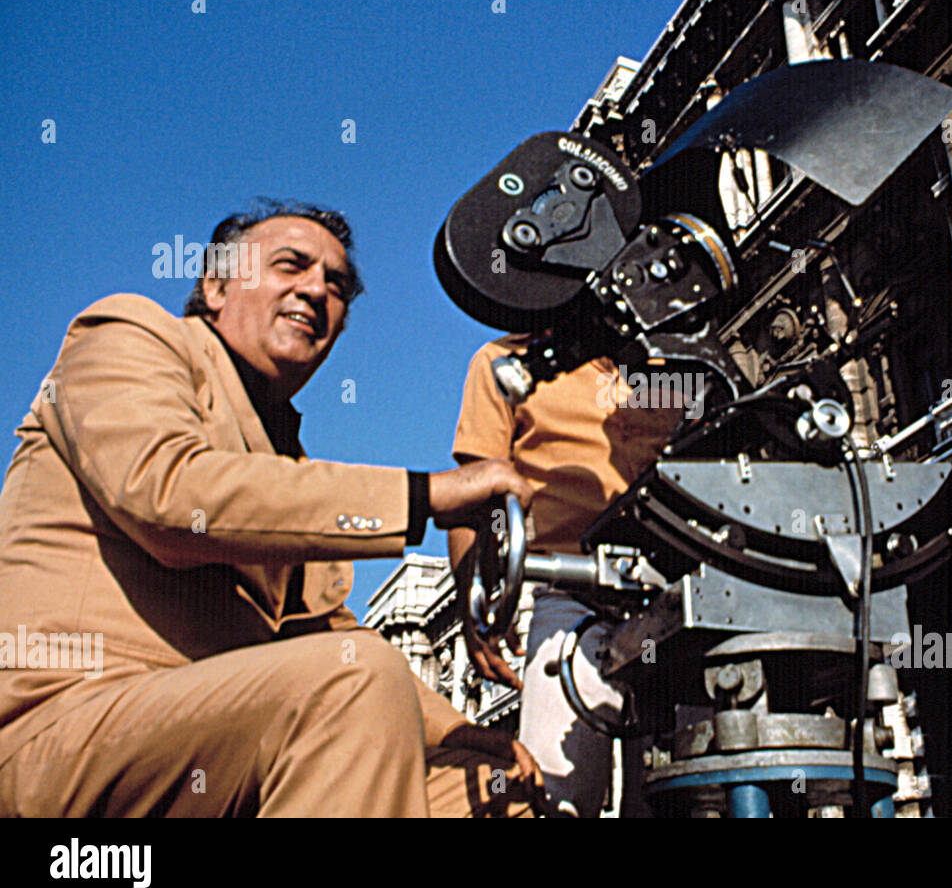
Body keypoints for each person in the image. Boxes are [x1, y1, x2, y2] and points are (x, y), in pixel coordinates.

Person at [0, 200, 543, 817]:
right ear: (214, 285)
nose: (315, 289)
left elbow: (329, 630)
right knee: (353, 682)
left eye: (336, 285)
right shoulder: (130, 336)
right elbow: (168, 494)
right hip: (66, 735)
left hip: (219, 752)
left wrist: (457, 733)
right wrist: (426, 495)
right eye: (291, 265)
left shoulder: (290, 466)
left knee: (491, 792)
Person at [449, 338, 687, 817]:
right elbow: (471, 498)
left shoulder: (681, 367)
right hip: (567, 590)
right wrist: (474, 609)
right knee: (556, 795)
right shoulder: (503, 364)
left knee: (687, 790)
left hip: (679, 593)